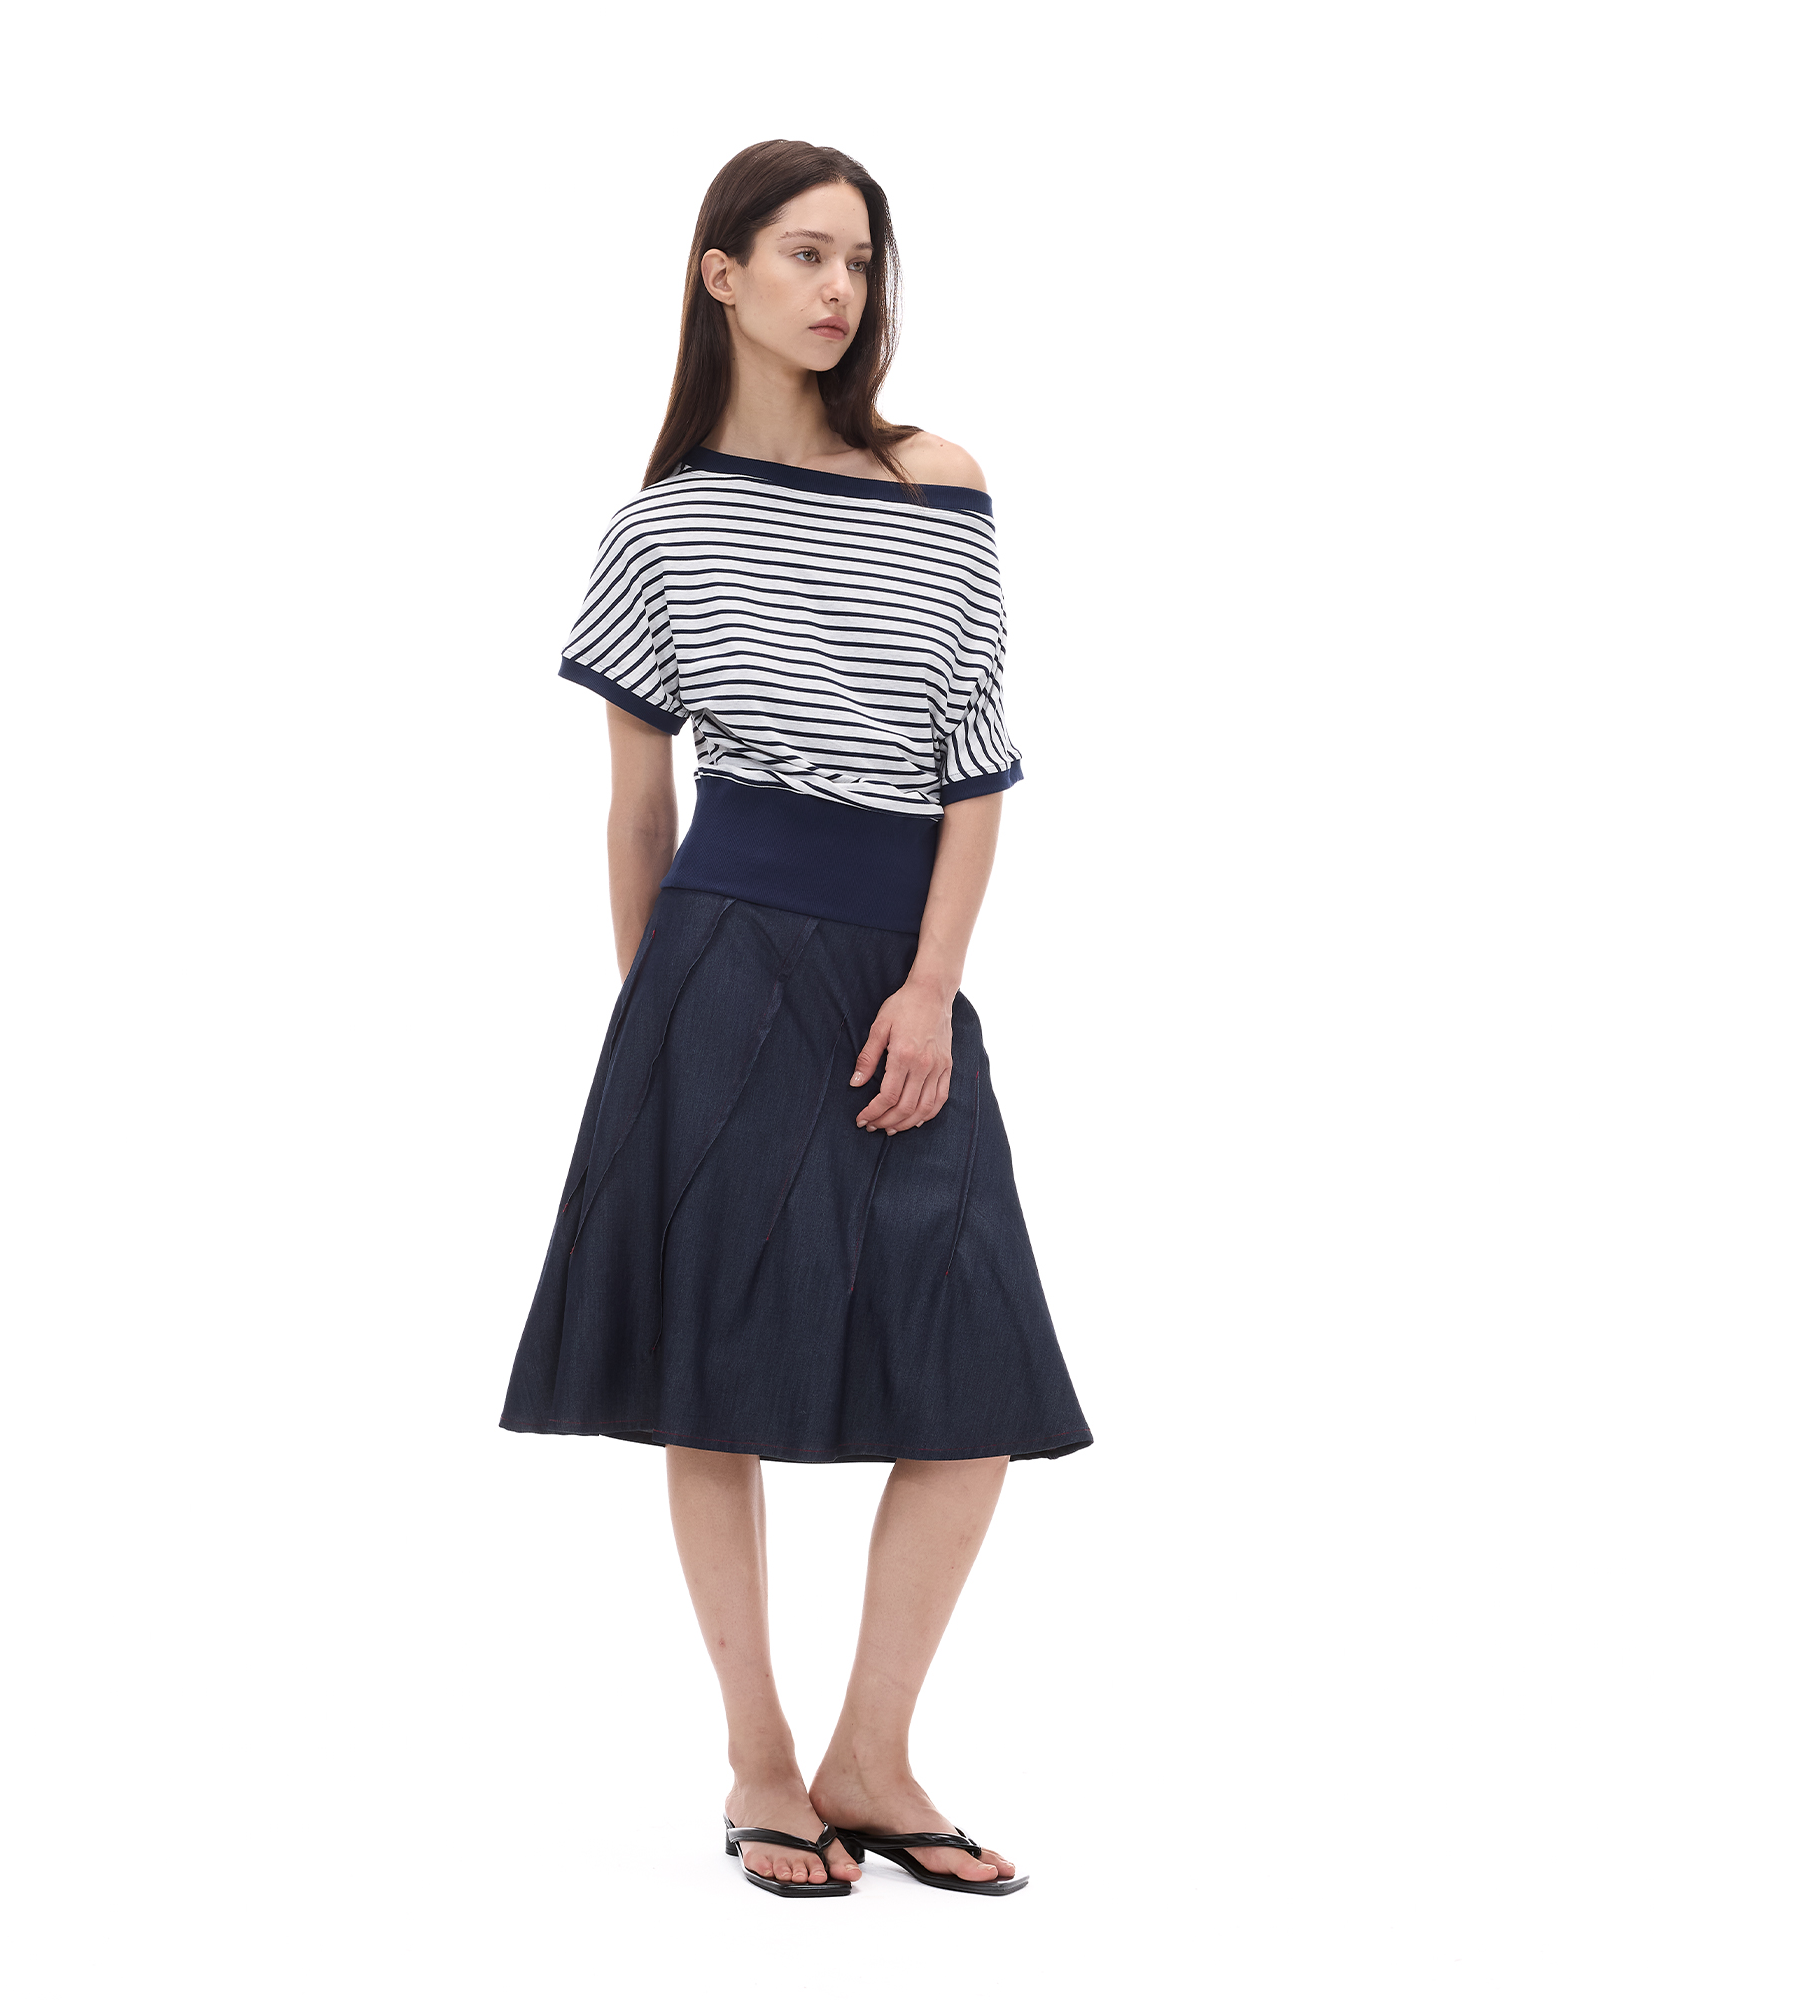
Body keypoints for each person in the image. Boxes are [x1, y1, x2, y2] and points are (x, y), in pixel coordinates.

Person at [500, 139, 1092, 1900]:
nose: (842, 289)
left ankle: (871, 1759)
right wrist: (657, 1031)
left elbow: (974, 761)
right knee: (714, 1377)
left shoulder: (941, 481)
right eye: (806, 254)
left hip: (900, 964)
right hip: (719, 965)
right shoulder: (659, 525)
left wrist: (934, 985)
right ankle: (761, 1761)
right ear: (724, 274)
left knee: (973, 1383)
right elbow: (636, 810)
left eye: (862, 259)